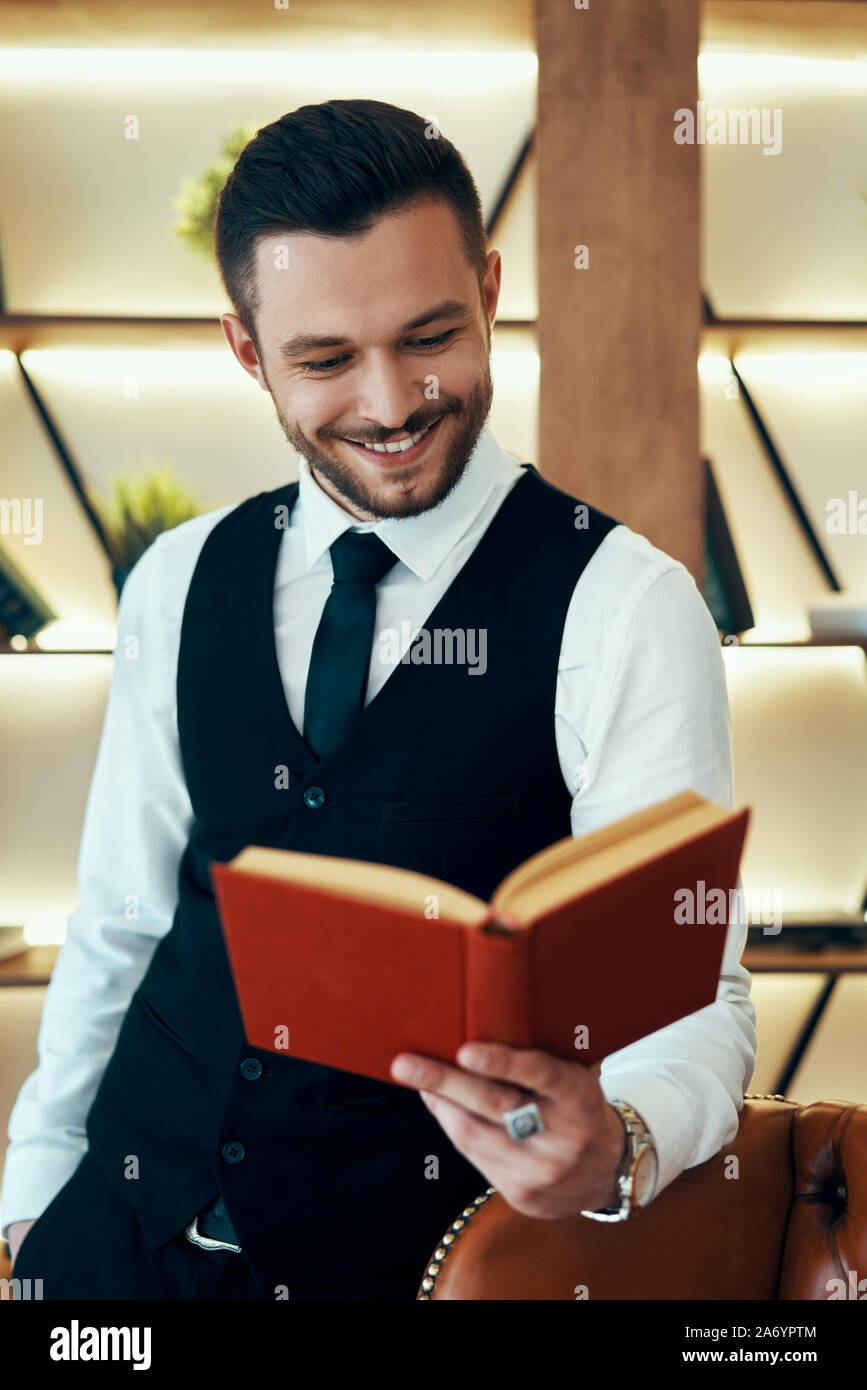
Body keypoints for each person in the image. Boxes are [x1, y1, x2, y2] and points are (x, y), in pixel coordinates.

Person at [3, 98, 756, 1300]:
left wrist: (620, 1141)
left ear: (494, 288)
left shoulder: (625, 603)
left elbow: (693, 982)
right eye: (325, 359)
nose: (394, 401)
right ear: (247, 351)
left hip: (417, 1272)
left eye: (431, 335)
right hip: (117, 1256)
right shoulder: (179, 578)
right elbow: (123, 925)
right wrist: (33, 1212)